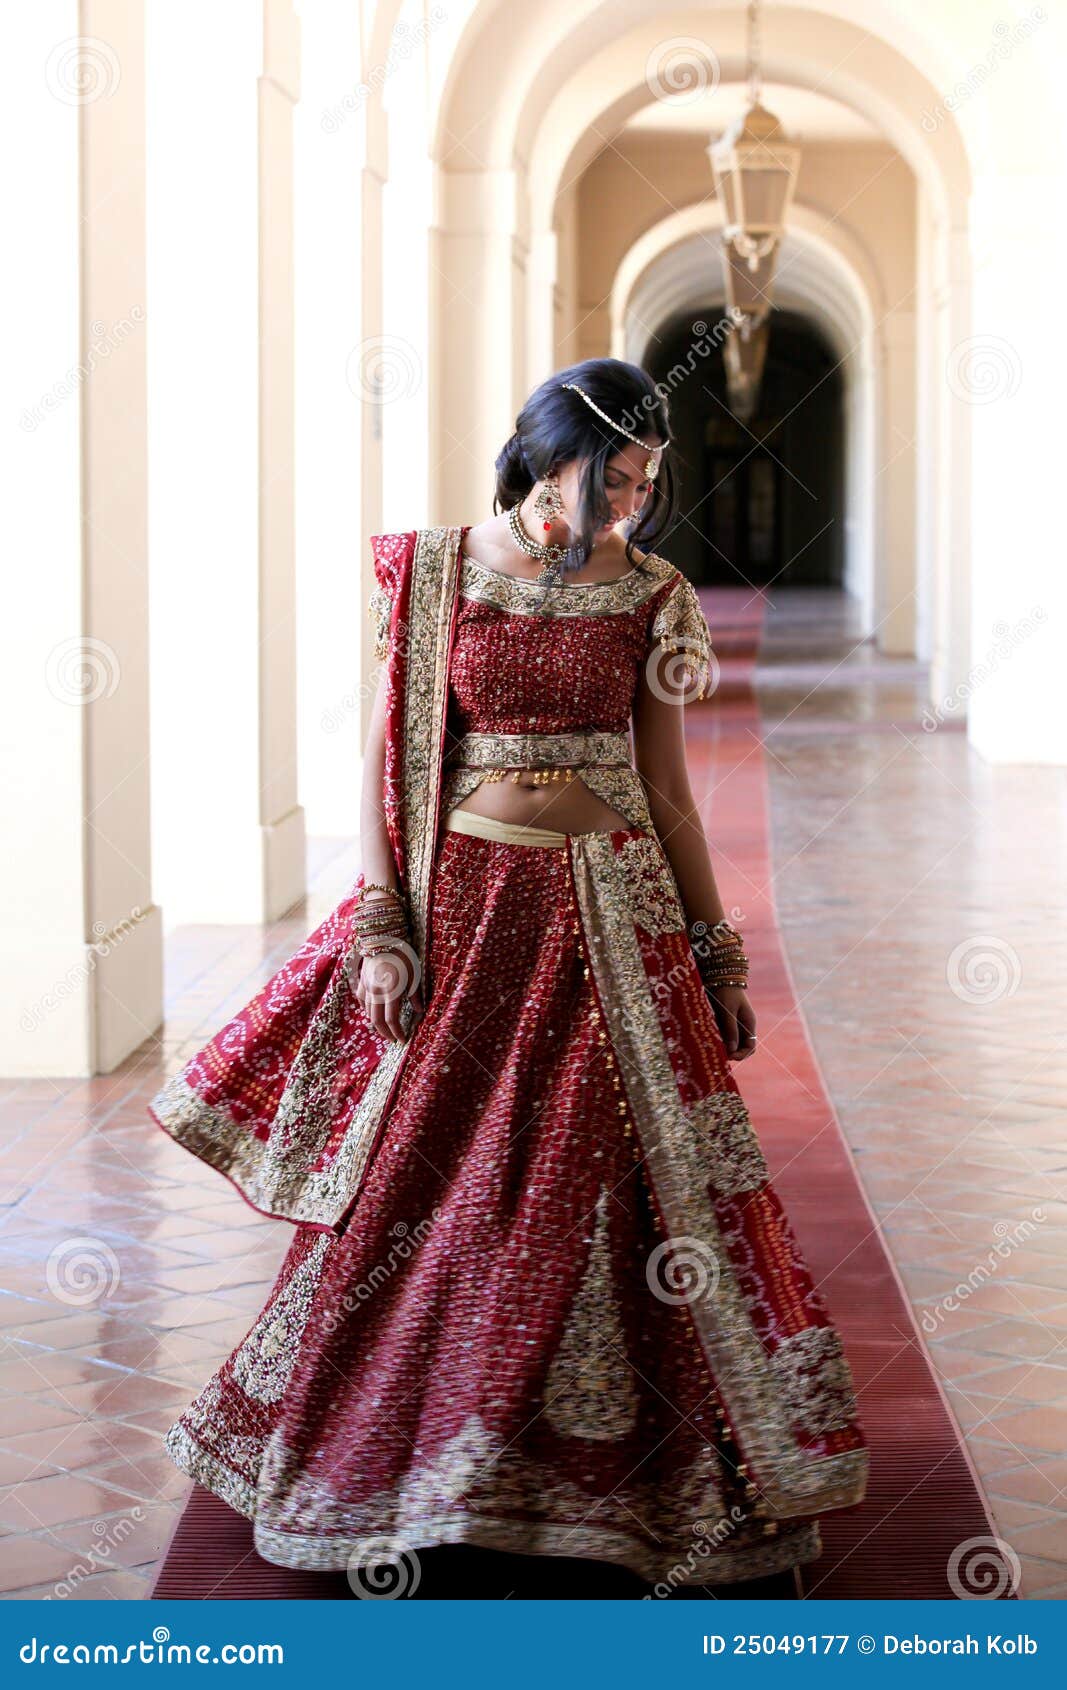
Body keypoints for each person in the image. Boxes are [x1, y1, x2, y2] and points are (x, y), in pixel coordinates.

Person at [150, 357, 868, 1594]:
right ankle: (419, 1464)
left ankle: (608, 1479)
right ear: (548, 457)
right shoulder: (429, 573)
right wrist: (383, 927)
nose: (634, 502)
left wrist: (714, 948)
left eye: (649, 480)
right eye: (617, 477)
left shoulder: (650, 592)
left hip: (609, 918)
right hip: (467, 920)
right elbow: (387, 765)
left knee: (599, 1195)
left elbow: (667, 790)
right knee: (436, 1190)